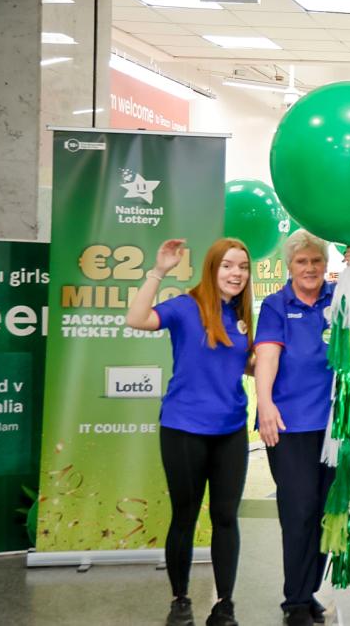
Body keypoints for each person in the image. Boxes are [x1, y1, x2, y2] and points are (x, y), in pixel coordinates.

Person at [253, 229, 350, 626]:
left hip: (336, 424)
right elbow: (267, 357)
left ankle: (307, 593)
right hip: (289, 424)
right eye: (301, 262)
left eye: (316, 261)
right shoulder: (277, 305)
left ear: (326, 264)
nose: (309, 268)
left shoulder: (337, 297)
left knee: (328, 508)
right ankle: (294, 601)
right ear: (289, 266)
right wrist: (266, 404)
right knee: (299, 509)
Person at [126, 238, 254, 626]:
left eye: (243, 267)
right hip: (183, 428)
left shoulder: (242, 315)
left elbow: (246, 366)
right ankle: (180, 599)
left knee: (226, 516)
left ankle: (225, 604)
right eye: (228, 266)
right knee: (184, 516)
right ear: (212, 269)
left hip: (231, 429)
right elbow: (136, 319)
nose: (236, 274)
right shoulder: (185, 307)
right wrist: (158, 271)